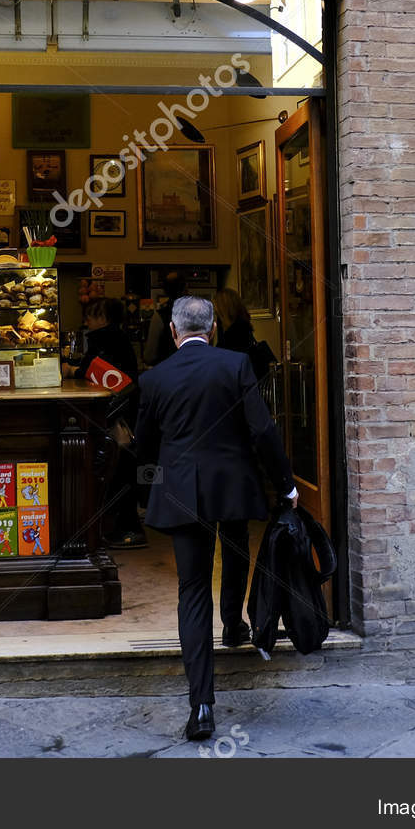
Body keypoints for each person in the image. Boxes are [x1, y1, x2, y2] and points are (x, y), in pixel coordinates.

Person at [134, 295, 296, 742]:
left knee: (191, 590)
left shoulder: (156, 379)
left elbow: (144, 446)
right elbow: (262, 430)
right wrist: (285, 483)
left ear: (172, 331)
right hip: (232, 483)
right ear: (212, 330)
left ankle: (201, 705)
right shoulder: (236, 365)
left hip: (182, 490)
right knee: (237, 545)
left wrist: (154, 480)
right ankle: (232, 624)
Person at [64, 298, 145, 547]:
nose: (86, 320)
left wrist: (74, 370)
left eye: (91, 315)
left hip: (116, 418)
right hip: (121, 415)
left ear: (104, 318)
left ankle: (128, 529)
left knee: (117, 472)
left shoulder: (107, 340)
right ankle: (120, 526)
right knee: (118, 472)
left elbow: (104, 373)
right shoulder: (114, 338)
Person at [140, 270, 187, 368]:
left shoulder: (161, 316)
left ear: (165, 291)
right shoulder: (198, 313)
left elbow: (150, 355)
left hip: (169, 371)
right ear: (185, 289)